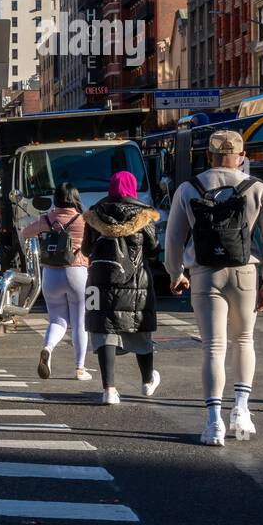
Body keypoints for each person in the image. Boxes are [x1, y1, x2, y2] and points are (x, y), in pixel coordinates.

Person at [164, 130, 263, 446]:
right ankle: (241, 411)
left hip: (204, 272)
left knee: (213, 347)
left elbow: (174, 239)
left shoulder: (188, 189)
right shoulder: (258, 189)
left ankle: (212, 422)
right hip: (245, 272)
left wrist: (176, 273)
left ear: (208, 156)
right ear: (243, 156)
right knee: (244, 339)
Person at [82, 170, 161, 405]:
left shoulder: (95, 215)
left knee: (105, 331)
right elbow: (155, 250)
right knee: (140, 330)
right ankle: (147, 382)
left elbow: (86, 251)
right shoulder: (143, 216)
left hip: (100, 282)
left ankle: (109, 389)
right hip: (135, 283)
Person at [19, 182, 90, 381]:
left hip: (50, 275)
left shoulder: (47, 219)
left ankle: (48, 348)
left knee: (57, 320)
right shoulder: (84, 220)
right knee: (79, 323)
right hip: (77, 271)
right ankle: (80, 369)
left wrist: (45, 228)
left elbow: (25, 233)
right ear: (75, 198)